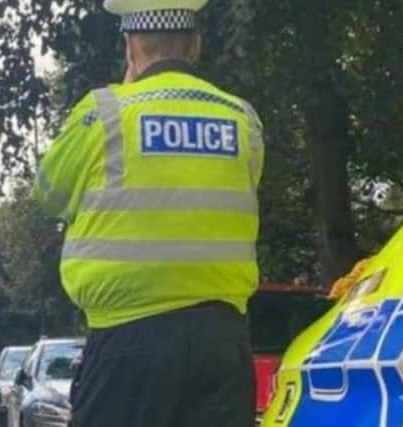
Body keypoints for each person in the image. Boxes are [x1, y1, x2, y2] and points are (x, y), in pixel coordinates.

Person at [33, 0, 264, 425]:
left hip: (129, 343)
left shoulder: (103, 113)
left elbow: (48, 193)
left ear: (130, 46)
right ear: (195, 46)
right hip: (222, 344)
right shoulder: (241, 119)